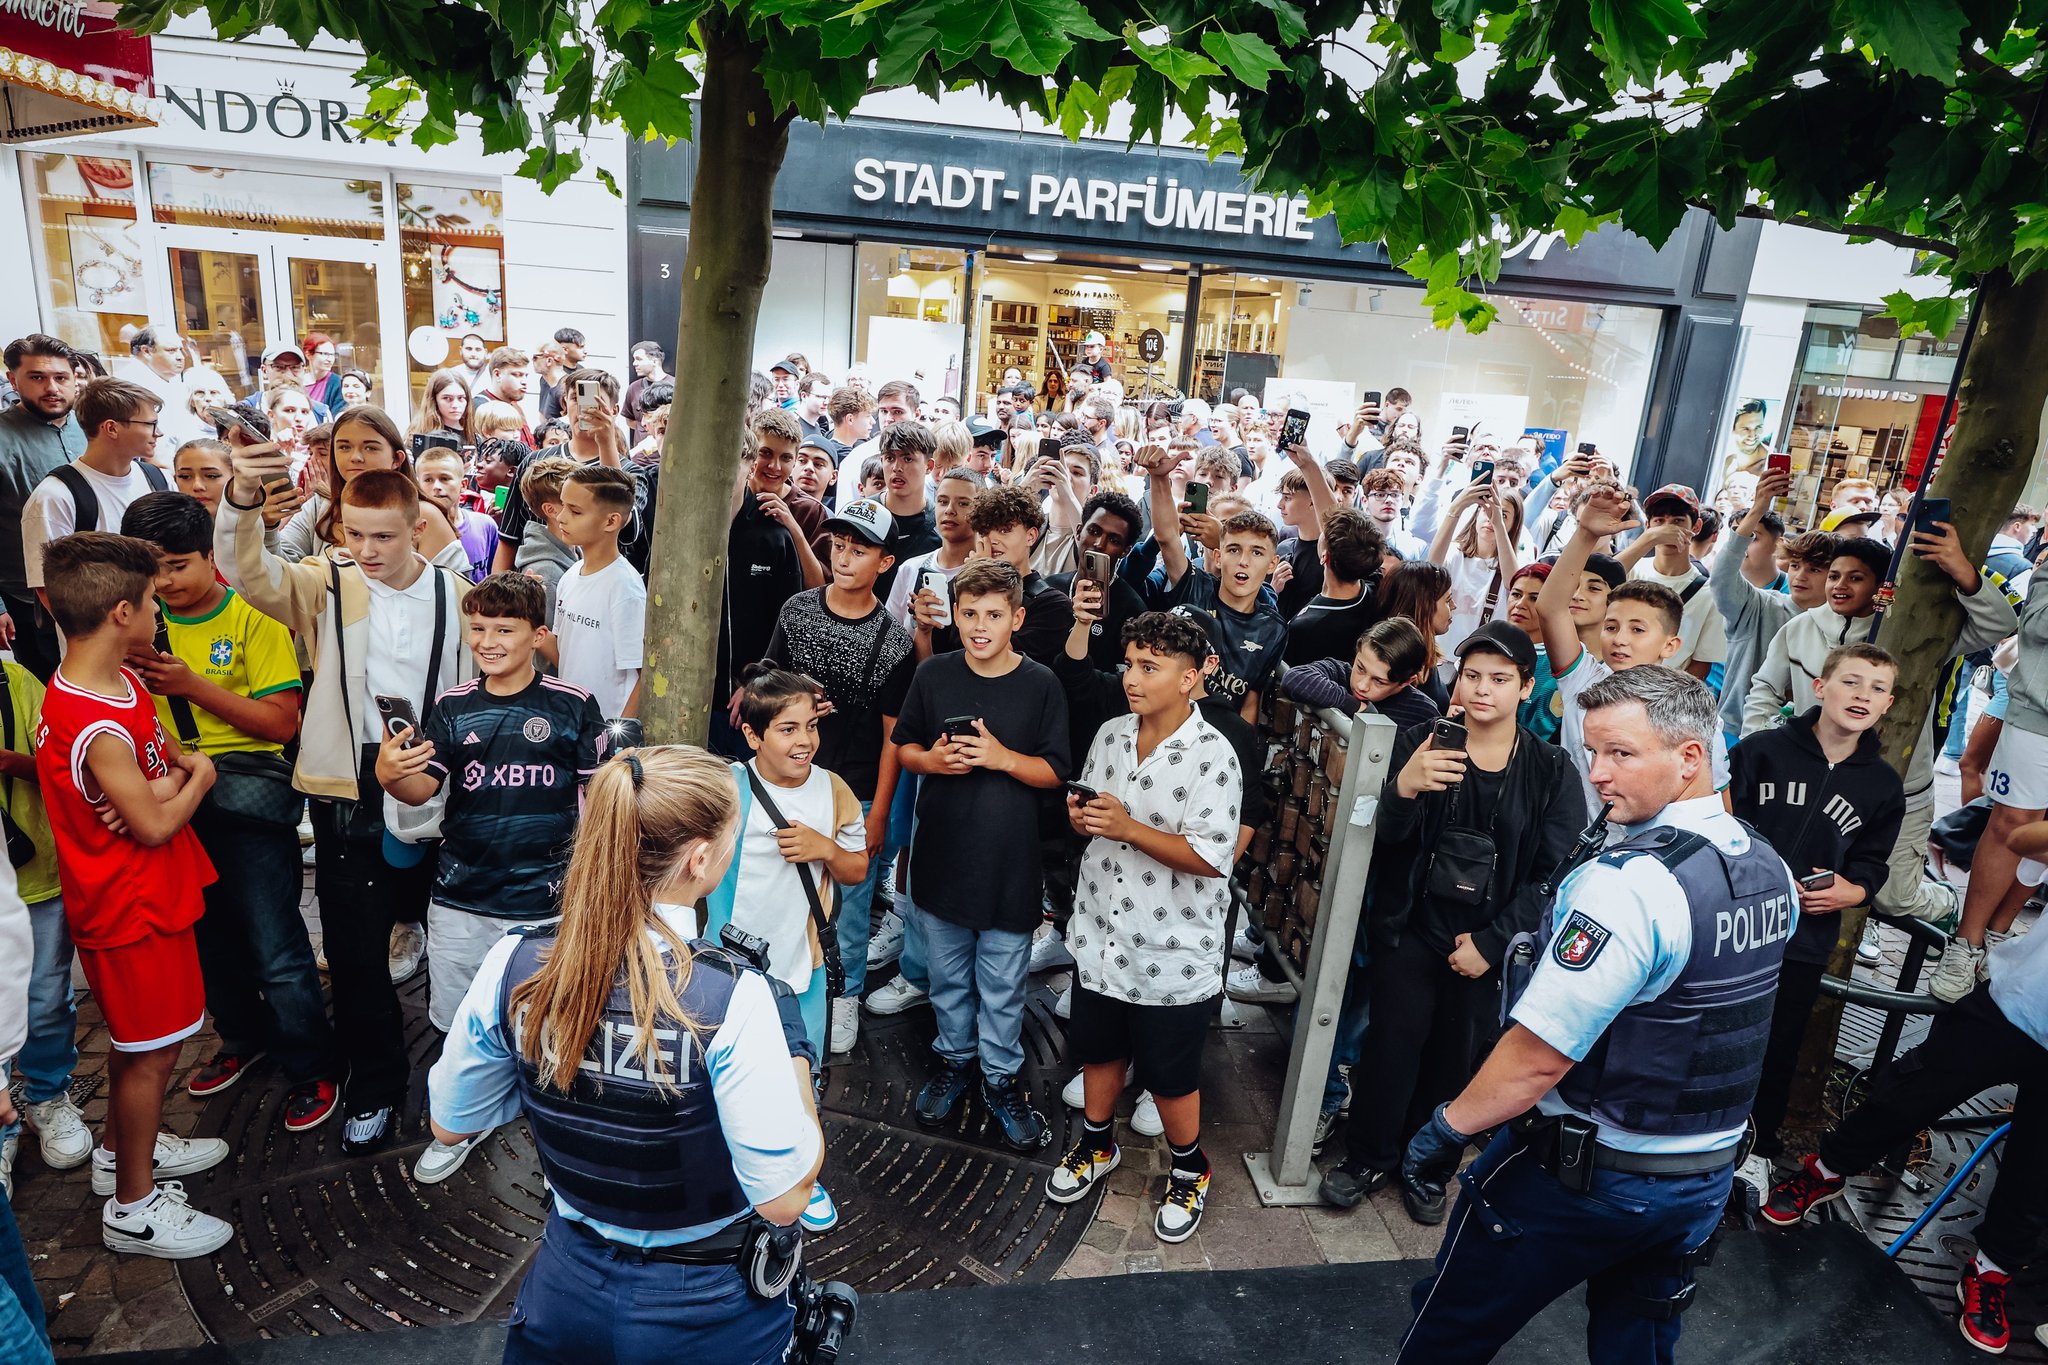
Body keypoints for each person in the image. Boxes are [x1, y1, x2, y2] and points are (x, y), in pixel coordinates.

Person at [1397, 666, 1798, 1363]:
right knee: (1638, 1343)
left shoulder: (1630, 886)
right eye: (1592, 751)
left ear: (1690, 758)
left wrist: (1446, 1126)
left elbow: (1540, 1054)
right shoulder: (1769, 866)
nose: (1599, 772)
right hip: (1699, 1181)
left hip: (1587, 1177)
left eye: (1621, 753)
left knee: (1448, 1328)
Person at [425, 745, 825, 1364]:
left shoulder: (515, 962)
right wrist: (795, 1055)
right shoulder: (732, 996)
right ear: (698, 859)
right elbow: (786, 1196)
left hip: (566, 1279)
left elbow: (451, 1123)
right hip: (703, 1301)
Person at [219, 450, 475, 1156]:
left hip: (440, 778)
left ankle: (468, 1085)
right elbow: (250, 573)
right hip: (349, 785)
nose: (366, 549)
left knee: (455, 939)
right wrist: (242, 499)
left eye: (383, 535)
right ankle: (377, 1084)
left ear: (418, 526)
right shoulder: (326, 583)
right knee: (358, 951)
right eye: (354, 533)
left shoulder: (457, 592)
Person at [1323, 622, 1585, 1217]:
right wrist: (1404, 789)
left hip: (1489, 941)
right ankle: (1367, 1156)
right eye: (1472, 676)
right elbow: (1384, 841)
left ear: (1525, 687)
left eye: (1500, 678)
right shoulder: (1421, 739)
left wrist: (1493, 943)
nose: (1483, 690)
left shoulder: (1551, 769)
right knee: (1392, 1043)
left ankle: (1429, 1165)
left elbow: (1555, 872)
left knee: (1457, 1055)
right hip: (1412, 925)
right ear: (1456, 682)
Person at [1764, 814, 2048, 1354]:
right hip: (2017, 1003)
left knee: (2037, 1165)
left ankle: (1990, 1272)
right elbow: (2022, 839)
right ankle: (1826, 1169)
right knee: (1909, 1093)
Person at [33, 532, 234, 1257]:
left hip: (153, 896)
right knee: (151, 1054)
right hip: (128, 908)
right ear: (122, 611)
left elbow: (167, 769)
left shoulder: (123, 681)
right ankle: (134, 1207)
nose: (159, 609)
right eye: (152, 601)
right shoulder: (93, 720)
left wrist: (168, 781)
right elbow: (155, 819)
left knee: (144, 1042)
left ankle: (123, 1152)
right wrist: (197, 780)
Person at [119, 493, 337, 1132]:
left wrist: (190, 686)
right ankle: (242, 1038)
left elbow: (279, 723)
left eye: (178, 565)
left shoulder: (255, 615)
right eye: (150, 568)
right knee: (208, 939)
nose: (164, 582)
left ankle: (311, 1065)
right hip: (164, 800)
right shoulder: (133, 619)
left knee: (277, 945)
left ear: (212, 555)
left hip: (244, 799)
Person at [376, 572, 604, 1179]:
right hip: (461, 898)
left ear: (538, 634)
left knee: (551, 1022)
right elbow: (422, 787)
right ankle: (463, 1126)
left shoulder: (574, 705)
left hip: (548, 904)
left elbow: (596, 802)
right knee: (460, 1023)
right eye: (479, 628)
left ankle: (556, 1127)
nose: (489, 640)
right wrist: (388, 770)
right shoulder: (451, 706)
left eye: (505, 629)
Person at [1047, 612, 1242, 1243]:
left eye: (1148, 667)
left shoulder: (1214, 756)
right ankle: (1097, 1145)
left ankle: (1190, 1169)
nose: (1131, 677)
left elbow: (1213, 856)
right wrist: (1084, 819)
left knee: (1170, 1073)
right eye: (1129, 663)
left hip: (1173, 951)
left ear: (1190, 679)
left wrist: (1129, 826)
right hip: (1103, 933)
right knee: (1099, 1049)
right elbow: (1090, 817)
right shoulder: (1108, 735)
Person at [894, 560, 1068, 1150]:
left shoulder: (1041, 683)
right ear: (954, 613)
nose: (979, 625)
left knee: (1002, 981)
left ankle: (1000, 1076)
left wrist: (1001, 758)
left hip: (1009, 867)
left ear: (1017, 617)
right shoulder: (935, 674)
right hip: (942, 857)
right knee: (947, 978)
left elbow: (1054, 773)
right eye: (969, 613)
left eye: (993, 614)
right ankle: (954, 1060)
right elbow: (907, 748)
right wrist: (933, 761)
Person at [704, 664, 867, 1232]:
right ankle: (727, 1169)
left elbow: (855, 869)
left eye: (810, 727)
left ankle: (800, 1175)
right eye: (787, 730)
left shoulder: (834, 790)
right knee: (723, 1070)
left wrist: (823, 847)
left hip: (804, 967)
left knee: (804, 1071)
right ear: (753, 736)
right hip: (725, 966)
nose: (804, 742)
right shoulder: (728, 787)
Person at [1729, 642, 1903, 1166]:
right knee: (1709, 1028)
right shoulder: (1763, 750)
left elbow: (1873, 861)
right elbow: (1714, 822)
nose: (1862, 695)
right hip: (1731, 922)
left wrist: (1852, 891)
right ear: (1820, 687)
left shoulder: (1882, 785)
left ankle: (1755, 1146)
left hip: (1804, 941)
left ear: (1887, 705)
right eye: (1851, 681)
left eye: (1876, 688)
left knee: (1778, 1047)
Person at [765, 498, 916, 1054]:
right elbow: (767, 686)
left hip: (848, 792)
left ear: (886, 562)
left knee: (850, 905)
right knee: (781, 890)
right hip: (781, 784)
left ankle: (844, 994)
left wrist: (879, 811)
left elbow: (893, 737)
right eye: (839, 545)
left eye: (861, 549)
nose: (845, 557)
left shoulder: (893, 641)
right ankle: (775, 989)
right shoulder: (797, 611)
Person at [1538, 486, 1722, 813]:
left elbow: (1713, 795)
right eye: (1611, 627)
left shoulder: (1693, 708)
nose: (1620, 639)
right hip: (1573, 843)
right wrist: (1585, 533)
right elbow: (1551, 607)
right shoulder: (1584, 679)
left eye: (1637, 629)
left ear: (1671, 645)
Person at [1138, 443, 1288, 720]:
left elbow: (1251, 700)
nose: (1244, 561)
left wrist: (1243, 752)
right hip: (1165, 721)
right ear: (1218, 556)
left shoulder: (1274, 627)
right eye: (1234, 549)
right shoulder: (1195, 584)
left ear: (1271, 564)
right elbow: (1167, 538)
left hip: (1218, 741)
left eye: (1256, 552)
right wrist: (1159, 479)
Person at [22, 379, 172, 610]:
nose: (159, 433)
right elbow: (49, 590)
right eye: (150, 424)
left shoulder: (159, 480)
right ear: (111, 428)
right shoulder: (55, 496)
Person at [1712, 470, 1831, 746]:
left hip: (1810, 741)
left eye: (1815, 569)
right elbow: (1722, 575)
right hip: (1739, 732)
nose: (1800, 576)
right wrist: (1757, 510)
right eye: (1796, 566)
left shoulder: (1841, 626)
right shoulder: (1761, 604)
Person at [0, 338, 85, 676]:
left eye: (61, 377)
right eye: (37, 377)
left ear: (75, 378)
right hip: (31, 604)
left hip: (110, 590)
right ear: (13, 380)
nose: (52, 388)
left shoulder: (95, 427)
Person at [545, 465, 645, 720]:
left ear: (611, 521)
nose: (561, 517)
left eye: (575, 511)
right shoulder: (570, 575)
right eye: (563, 506)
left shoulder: (625, 588)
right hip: (572, 723)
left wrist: (620, 738)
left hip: (606, 732)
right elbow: (566, 655)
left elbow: (644, 677)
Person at [1619, 485, 1725, 680]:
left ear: (1696, 527)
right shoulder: (1632, 569)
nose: (1668, 529)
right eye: (1659, 521)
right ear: (1648, 526)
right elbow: (1603, 576)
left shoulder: (1709, 593)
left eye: (1677, 521)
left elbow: (1701, 664)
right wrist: (1647, 540)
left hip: (1665, 692)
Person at [1278, 615, 1442, 729]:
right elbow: (1294, 679)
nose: (1362, 685)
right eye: (1360, 668)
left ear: (1406, 682)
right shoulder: (1339, 673)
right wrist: (1358, 708)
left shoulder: (1423, 715)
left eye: (1379, 681)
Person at [512, 453, 583, 623]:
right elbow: (543, 643)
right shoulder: (547, 574)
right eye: (576, 506)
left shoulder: (575, 549)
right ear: (551, 510)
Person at [415, 444, 501, 583]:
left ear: (463, 485)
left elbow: (496, 577)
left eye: (445, 478)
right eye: (428, 480)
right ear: (418, 485)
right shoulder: (413, 532)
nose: (436, 487)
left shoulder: (485, 525)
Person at [411, 368, 475, 449]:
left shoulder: (473, 435)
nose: (455, 405)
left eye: (460, 398)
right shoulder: (420, 436)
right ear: (434, 400)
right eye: (447, 398)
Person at [622, 341, 671, 445]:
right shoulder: (633, 388)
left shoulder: (675, 385)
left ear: (654, 360)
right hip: (641, 457)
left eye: (639, 359)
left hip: (666, 452)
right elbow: (630, 420)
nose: (634, 363)